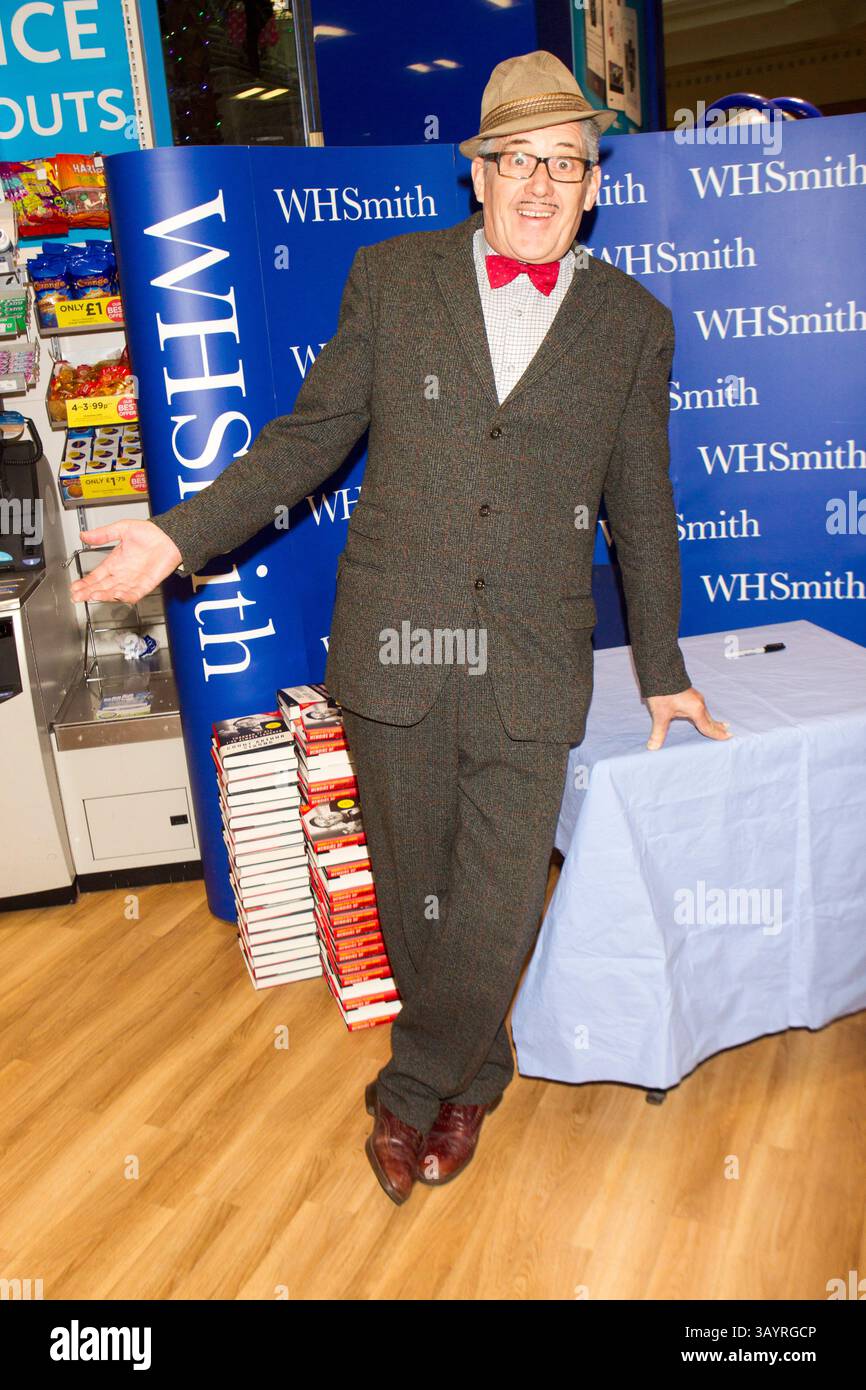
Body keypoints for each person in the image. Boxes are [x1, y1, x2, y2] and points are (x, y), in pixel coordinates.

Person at [71, 51, 730, 1206]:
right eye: (515, 160)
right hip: (394, 644)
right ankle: (476, 1073)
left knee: (491, 900)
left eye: (563, 164)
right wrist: (178, 537)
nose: (537, 184)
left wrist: (664, 667)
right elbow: (302, 439)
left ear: (591, 186)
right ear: (476, 175)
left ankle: (410, 1088)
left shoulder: (633, 324)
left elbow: (643, 504)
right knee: (413, 884)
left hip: (530, 659)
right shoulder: (391, 279)